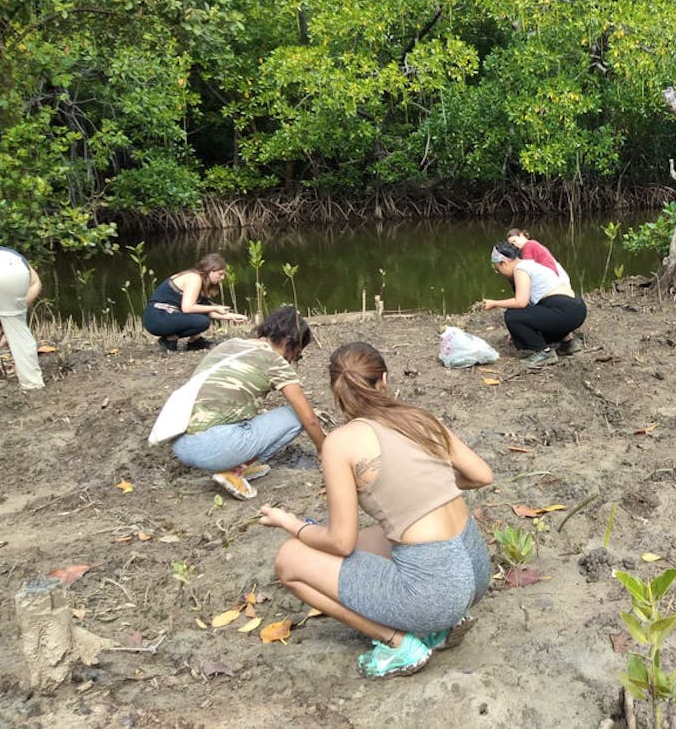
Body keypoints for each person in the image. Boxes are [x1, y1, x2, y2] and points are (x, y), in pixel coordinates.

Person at [259, 342, 493, 679]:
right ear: (383, 380)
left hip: (435, 592)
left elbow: (339, 542)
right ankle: (445, 620)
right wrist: (430, 488)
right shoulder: (419, 418)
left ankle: (399, 642)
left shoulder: (340, 443)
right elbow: (482, 475)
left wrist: (292, 524)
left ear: (336, 393)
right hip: (474, 569)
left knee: (290, 559)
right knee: (373, 538)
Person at [170, 305, 323, 500]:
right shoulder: (275, 362)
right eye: (297, 355)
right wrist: (323, 450)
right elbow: (308, 418)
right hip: (214, 445)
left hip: (180, 443)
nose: (293, 360)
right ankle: (234, 471)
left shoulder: (230, 344)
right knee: (295, 416)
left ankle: (233, 463)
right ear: (288, 342)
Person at [483, 241, 586, 367]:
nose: (499, 273)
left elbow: (521, 302)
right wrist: (517, 333)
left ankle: (544, 353)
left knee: (512, 316)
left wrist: (495, 303)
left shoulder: (520, 269)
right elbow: (531, 308)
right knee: (520, 334)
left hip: (564, 311)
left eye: (498, 269)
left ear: (504, 263)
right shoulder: (529, 264)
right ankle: (568, 342)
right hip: (577, 308)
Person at [142, 253, 247, 353]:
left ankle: (195, 341)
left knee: (201, 316)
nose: (223, 278)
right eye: (220, 274)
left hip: (165, 315)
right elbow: (188, 308)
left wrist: (231, 316)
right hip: (157, 317)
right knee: (202, 322)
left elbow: (202, 309)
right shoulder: (194, 278)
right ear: (210, 270)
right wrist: (215, 308)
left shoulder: (201, 281)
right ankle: (169, 339)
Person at [0, 247, 45, 390]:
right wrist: (12, 318)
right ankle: (33, 384)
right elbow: (35, 284)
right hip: (16, 269)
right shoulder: (8, 253)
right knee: (19, 334)